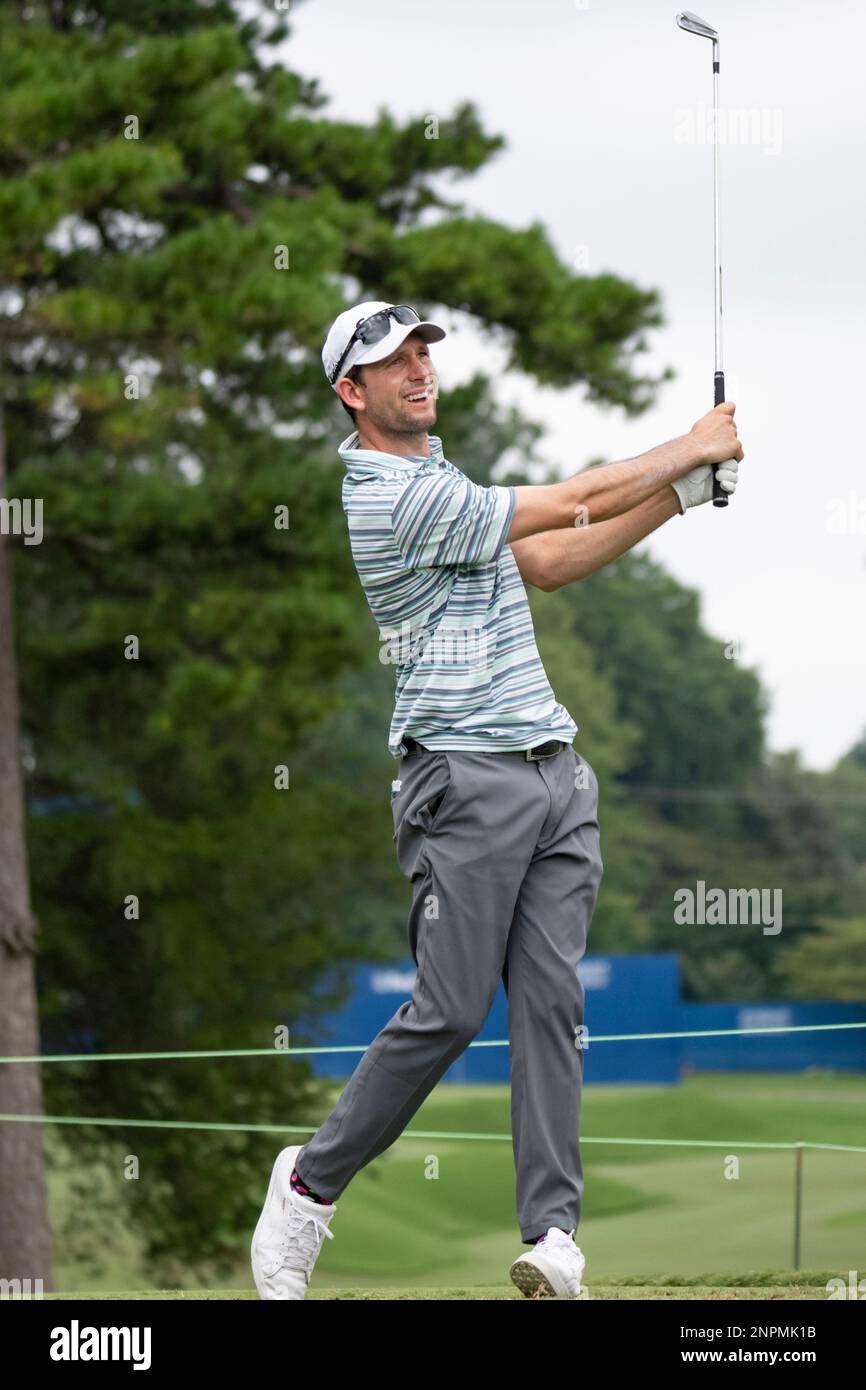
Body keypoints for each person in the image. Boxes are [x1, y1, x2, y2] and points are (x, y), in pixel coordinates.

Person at [251, 301, 743, 1300]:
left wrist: (683, 494)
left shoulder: (439, 475)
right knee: (447, 1010)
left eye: (423, 353)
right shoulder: (386, 495)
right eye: (393, 363)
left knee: (551, 1006)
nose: (419, 371)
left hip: (553, 771)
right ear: (352, 392)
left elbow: (551, 559)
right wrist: (683, 446)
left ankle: (553, 1236)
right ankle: (307, 1184)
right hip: (460, 779)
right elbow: (564, 501)